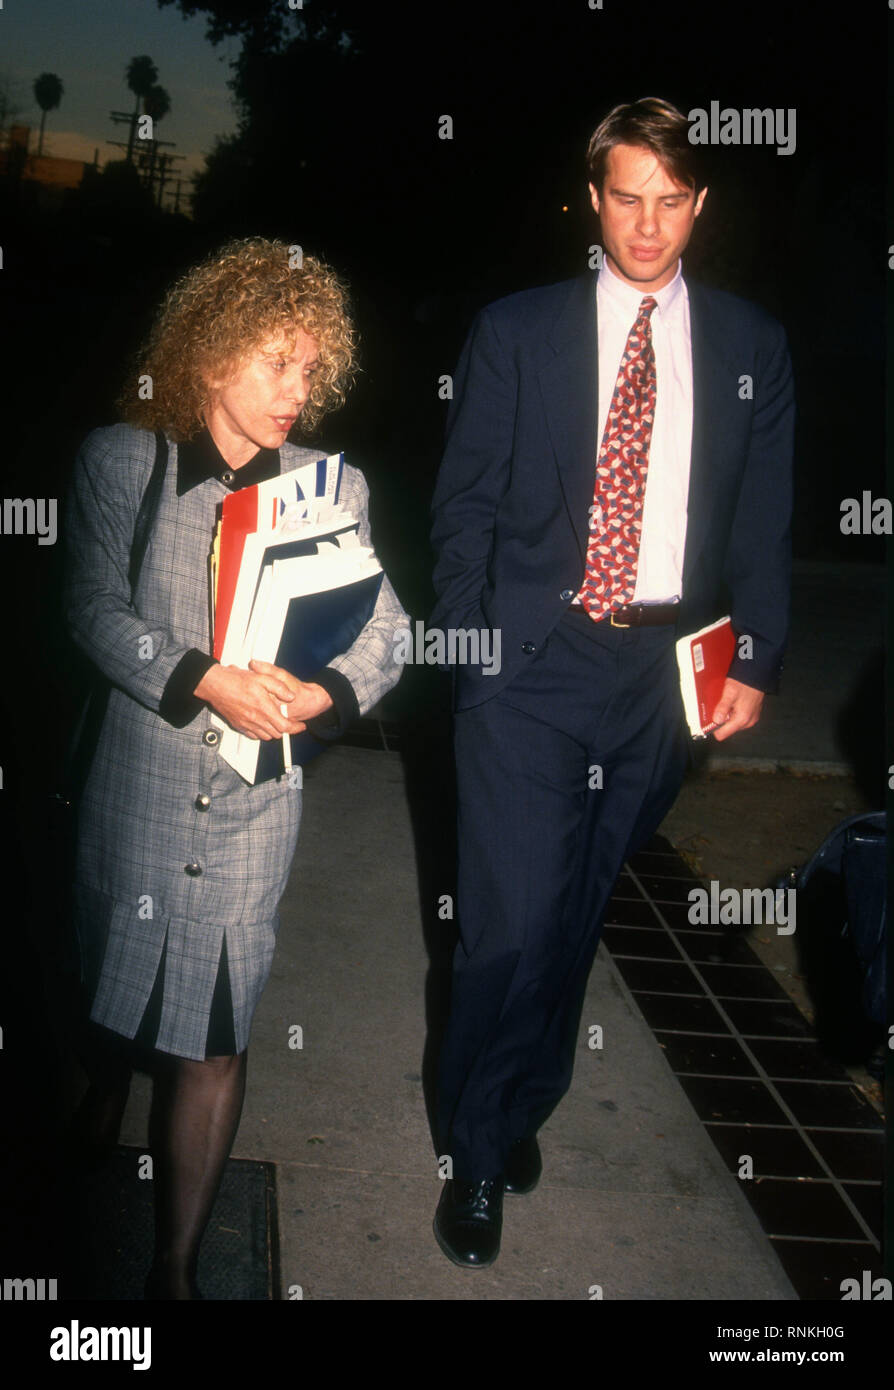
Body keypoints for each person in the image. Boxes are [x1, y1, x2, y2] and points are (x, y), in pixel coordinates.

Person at [429, 97, 795, 1267]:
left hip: (657, 678)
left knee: (578, 910)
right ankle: (474, 1148)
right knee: (505, 924)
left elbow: (764, 522)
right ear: (592, 200)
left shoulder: (750, 346)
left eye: (671, 199)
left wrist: (756, 656)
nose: (648, 223)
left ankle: (521, 1095)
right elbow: (463, 510)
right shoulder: (516, 331)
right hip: (529, 668)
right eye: (626, 195)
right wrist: (472, 654)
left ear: (701, 205)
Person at [63, 237, 408, 1298]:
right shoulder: (126, 459)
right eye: (274, 363)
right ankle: (68, 1203)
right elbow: (90, 612)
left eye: (310, 368)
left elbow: (389, 628)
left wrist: (327, 694)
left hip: (255, 807)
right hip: (138, 793)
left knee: (213, 1037)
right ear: (211, 358)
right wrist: (205, 678)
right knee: (109, 1024)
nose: (295, 392)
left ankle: (174, 1269)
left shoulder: (326, 485)